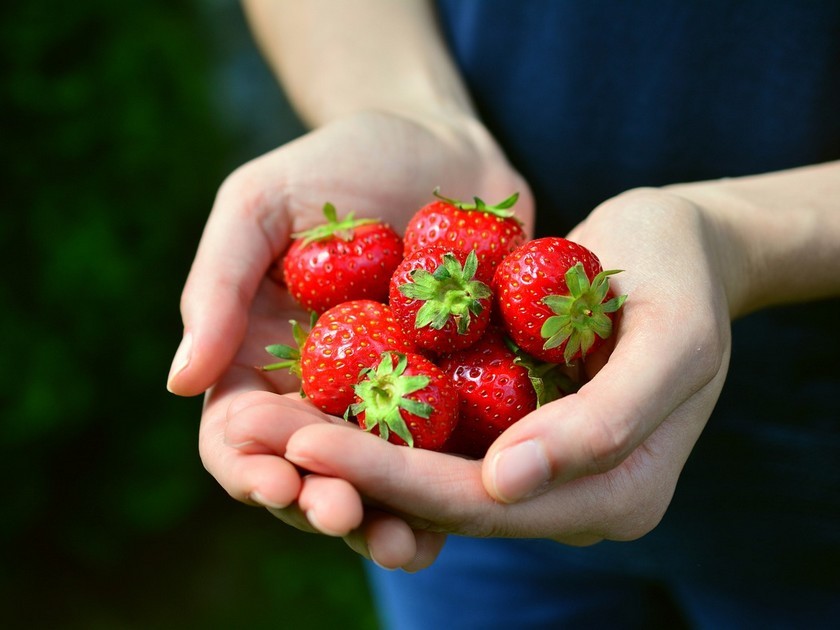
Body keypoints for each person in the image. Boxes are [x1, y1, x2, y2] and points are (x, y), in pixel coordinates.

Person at [168, 1, 840, 627]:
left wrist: (741, 241)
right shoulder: (441, 383)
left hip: (812, 486)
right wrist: (410, 109)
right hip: (474, 473)